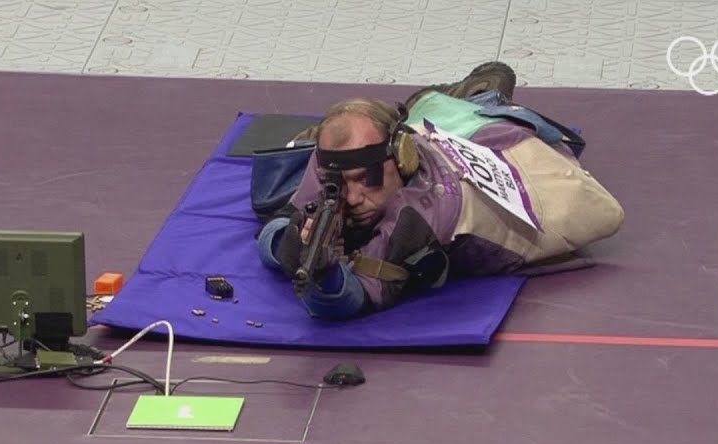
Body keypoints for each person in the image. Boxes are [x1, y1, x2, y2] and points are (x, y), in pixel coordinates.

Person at [255, 62, 625, 320]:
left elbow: (352, 300)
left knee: (490, 111)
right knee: (435, 110)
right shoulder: (334, 165)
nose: (351, 198)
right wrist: (290, 242)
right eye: (339, 182)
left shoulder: (423, 214)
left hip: (511, 160)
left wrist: (325, 276)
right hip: (441, 130)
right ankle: (450, 101)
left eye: (366, 179)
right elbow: (280, 223)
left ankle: (485, 98)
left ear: (402, 157)